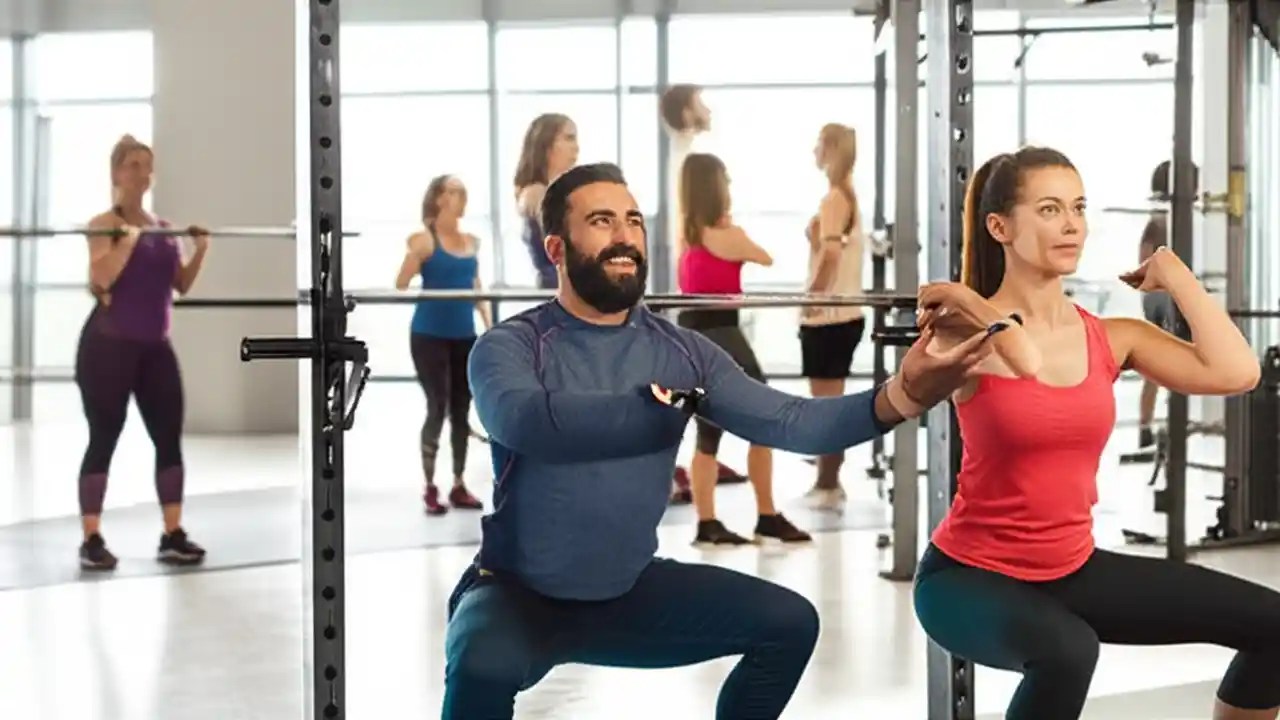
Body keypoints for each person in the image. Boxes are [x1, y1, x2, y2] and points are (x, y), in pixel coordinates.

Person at [442, 162, 1004, 720]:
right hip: (517, 596)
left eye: (633, 221)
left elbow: (792, 422)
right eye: (601, 221)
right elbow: (526, 422)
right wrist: (654, 412)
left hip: (627, 591)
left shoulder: (682, 353)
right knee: (480, 662)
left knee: (788, 625)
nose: (624, 236)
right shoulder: (511, 346)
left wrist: (905, 393)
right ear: (556, 248)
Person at [912, 146, 1276, 720]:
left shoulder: (1111, 336)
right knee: (1067, 652)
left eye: (1078, 208)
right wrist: (970, 302)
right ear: (999, 227)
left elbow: (1239, 372)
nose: (1072, 225)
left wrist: (1175, 275)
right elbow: (1023, 356)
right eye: (1050, 209)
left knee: (1274, 625)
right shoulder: (960, 331)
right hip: (967, 577)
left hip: (1072, 568)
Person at [76, 134, 210, 571]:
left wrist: (201, 250)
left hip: (155, 349)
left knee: (168, 436)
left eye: (146, 166)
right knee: (105, 435)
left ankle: (173, 534)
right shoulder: (103, 223)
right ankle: (91, 539)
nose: (141, 173)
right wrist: (127, 243)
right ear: (116, 172)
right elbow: (100, 279)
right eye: (133, 165)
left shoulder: (163, 227)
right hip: (108, 348)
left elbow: (180, 285)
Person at [675, 153, 809, 547]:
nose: (730, 187)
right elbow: (763, 256)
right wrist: (734, 230)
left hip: (692, 333)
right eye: (726, 180)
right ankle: (766, 515)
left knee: (708, 432)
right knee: (763, 417)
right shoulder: (725, 236)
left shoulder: (688, 235)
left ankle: (707, 522)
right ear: (714, 187)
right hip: (722, 333)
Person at [659, 84, 746, 499]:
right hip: (699, 297)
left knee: (706, 396)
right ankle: (693, 468)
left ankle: (702, 463)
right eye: (701, 104)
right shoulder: (688, 160)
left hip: (702, 294)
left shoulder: (689, 155)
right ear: (686, 112)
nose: (708, 110)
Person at [396, 175, 492, 516]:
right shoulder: (425, 240)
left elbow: (477, 288)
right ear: (438, 198)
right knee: (437, 406)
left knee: (462, 408)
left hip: (463, 335)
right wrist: (415, 256)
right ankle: (429, 485)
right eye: (453, 191)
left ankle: (458, 483)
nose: (461, 196)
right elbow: (401, 283)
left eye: (463, 191)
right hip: (429, 335)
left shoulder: (471, 242)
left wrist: (489, 327)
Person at [800, 123, 867, 511]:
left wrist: (813, 297)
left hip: (829, 318)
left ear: (829, 149)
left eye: (818, 144)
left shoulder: (834, 200)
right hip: (843, 316)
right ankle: (827, 478)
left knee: (825, 408)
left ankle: (828, 483)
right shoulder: (846, 198)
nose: (813, 151)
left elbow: (831, 255)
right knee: (829, 404)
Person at [1136, 159, 1199, 450]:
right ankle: (1164, 423)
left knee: (1157, 364)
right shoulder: (1168, 217)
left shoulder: (1157, 216)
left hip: (1155, 294)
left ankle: (1147, 425)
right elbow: (1147, 256)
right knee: (1171, 359)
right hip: (1165, 295)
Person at [513, 113, 579, 289]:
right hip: (559, 289)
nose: (576, 147)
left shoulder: (561, 192)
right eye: (569, 138)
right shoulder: (536, 193)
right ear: (547, 145)